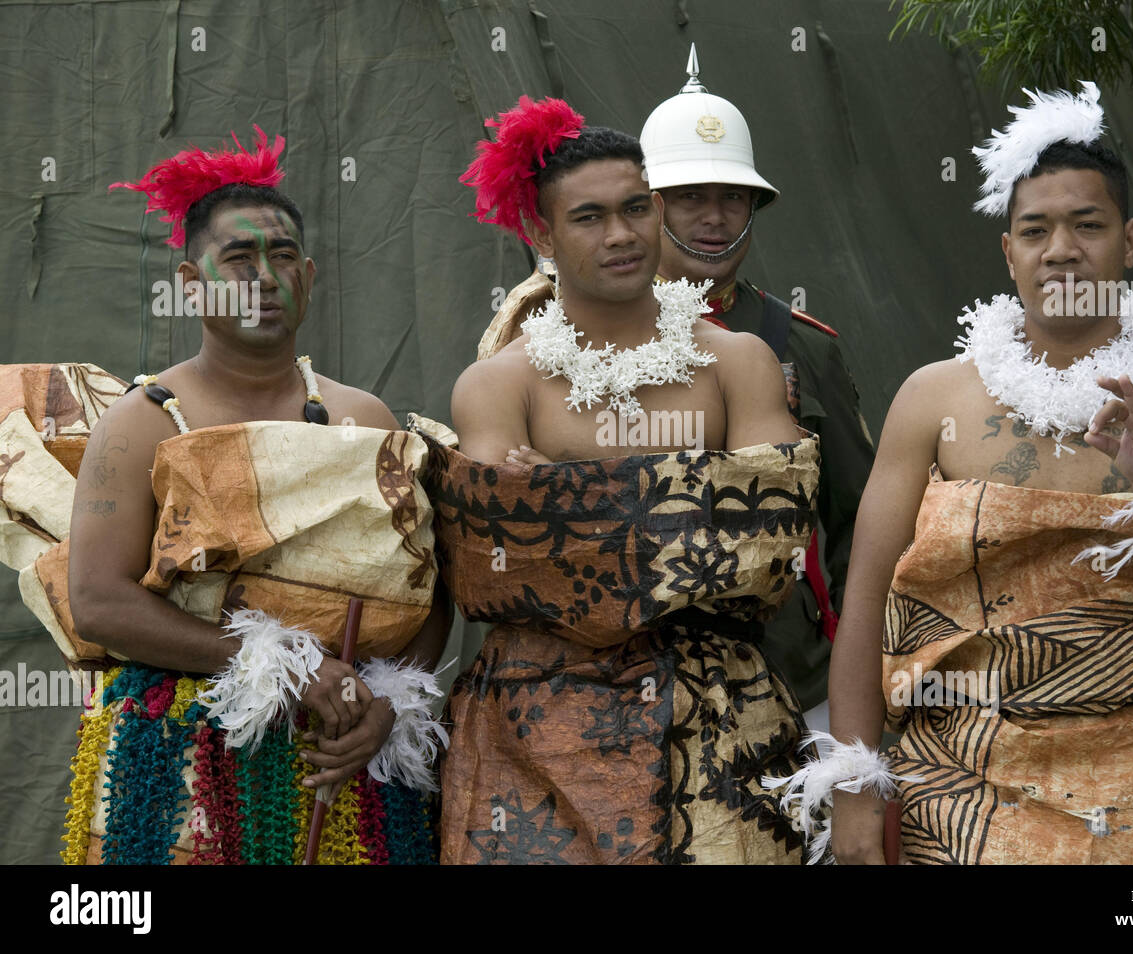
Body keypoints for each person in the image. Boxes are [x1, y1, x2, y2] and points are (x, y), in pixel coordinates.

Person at [768, 82, 1133, 864]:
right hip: (960, 800)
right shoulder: (932, 400)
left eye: (1088, 225)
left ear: (1131, 239)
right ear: (1007, 250)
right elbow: (869, 600)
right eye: (1035, 229)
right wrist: (854, 788)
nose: (1061, 249)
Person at [2, 129, 449, 864]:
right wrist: (290, 668)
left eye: (281, 258)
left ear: (308, 276)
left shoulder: (360, 418)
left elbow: (426, 593)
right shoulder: (143, 421)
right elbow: (101, 602)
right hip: (180, 755)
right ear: (190, 281)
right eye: (239, 259)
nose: (264, 277)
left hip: (340, 761)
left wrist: (390, 703)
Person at [426, 95, 820, 864]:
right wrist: (690, 497)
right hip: (534, 725)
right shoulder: (498, 385)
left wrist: (568, 502)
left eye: (637, 208)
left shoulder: (738, 362)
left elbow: (770, 554)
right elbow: (495, 571)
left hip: (717, 713)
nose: (621, 235)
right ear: (540, 232)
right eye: (589, 217)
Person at [639, 46, 876, 724]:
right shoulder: (592, 336)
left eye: (732, 197)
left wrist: (855, 668)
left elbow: (856, 521)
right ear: (646, 207)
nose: (713, 217)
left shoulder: (802, 342)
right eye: (690, 198)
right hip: (640, 675)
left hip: (791, 672)